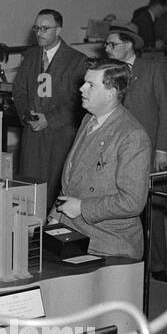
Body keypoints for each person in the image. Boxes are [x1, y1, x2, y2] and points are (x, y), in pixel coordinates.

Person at [51, 61, 152, 260]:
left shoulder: (132, 135)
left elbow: (132, 201)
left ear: (111, 93)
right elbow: (72, 180)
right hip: (73, 232)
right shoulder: (89, 119)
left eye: (91, 85)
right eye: (84, 83)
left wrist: (82, 207)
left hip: (108, 243)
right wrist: (54, 217)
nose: (81, 88)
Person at [104, 24, 167, 279]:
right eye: (107, 44)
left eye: (113, 44)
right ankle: (126, 263)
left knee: (152, 210)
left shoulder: (153, 69)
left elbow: (166, 111)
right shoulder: (108, 73)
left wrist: (162, 151)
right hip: (117, 151)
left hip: (149, 153)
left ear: (129, 44)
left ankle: (156, 265)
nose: (107, 48)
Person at [11, 8, 88, 206]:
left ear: (59, 30)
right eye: (37, 28)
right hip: (32, 136)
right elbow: (19, 91)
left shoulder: (76, 60)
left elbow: (78, 101)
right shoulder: (31, 56)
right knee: (28, 193)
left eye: (45, 28)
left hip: (61, 137)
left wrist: (49, 119)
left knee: (57, 192)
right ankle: (30, 234)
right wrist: (29, 116)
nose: (39, 33)